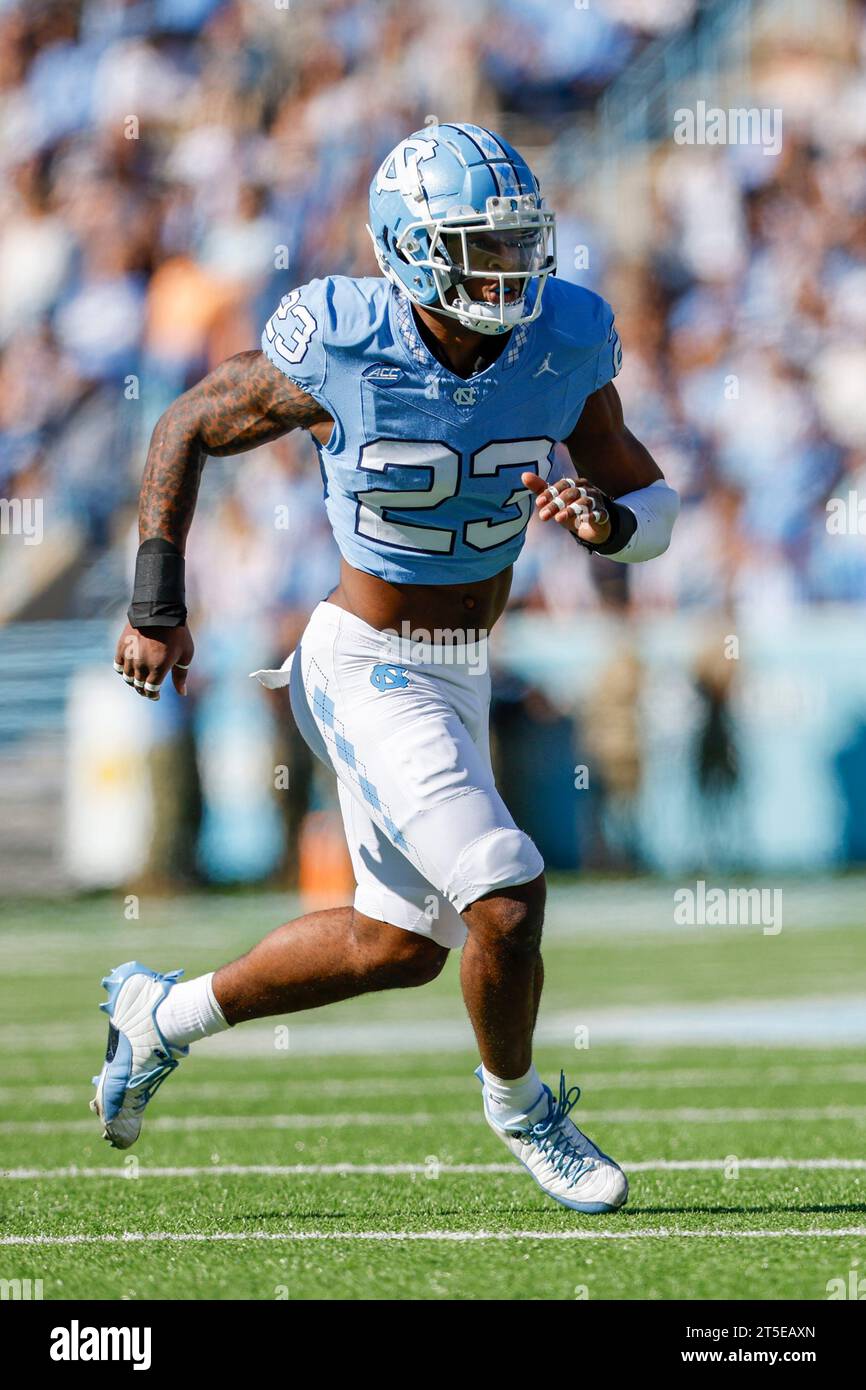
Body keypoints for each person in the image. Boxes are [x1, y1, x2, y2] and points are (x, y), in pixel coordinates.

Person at [93, 124, 679, 1213]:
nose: (508, 270)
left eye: (516, 244)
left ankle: (157, 1016)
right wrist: (156, 606)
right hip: (365, 662)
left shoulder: (564, 336)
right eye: (480, 247)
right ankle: (518, 1109)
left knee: (398, 945)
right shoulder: (344, 341)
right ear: (411, 252)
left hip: (461, 662)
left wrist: (605, 523)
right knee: (502, 891)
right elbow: (182, 426)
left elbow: (650, 501)